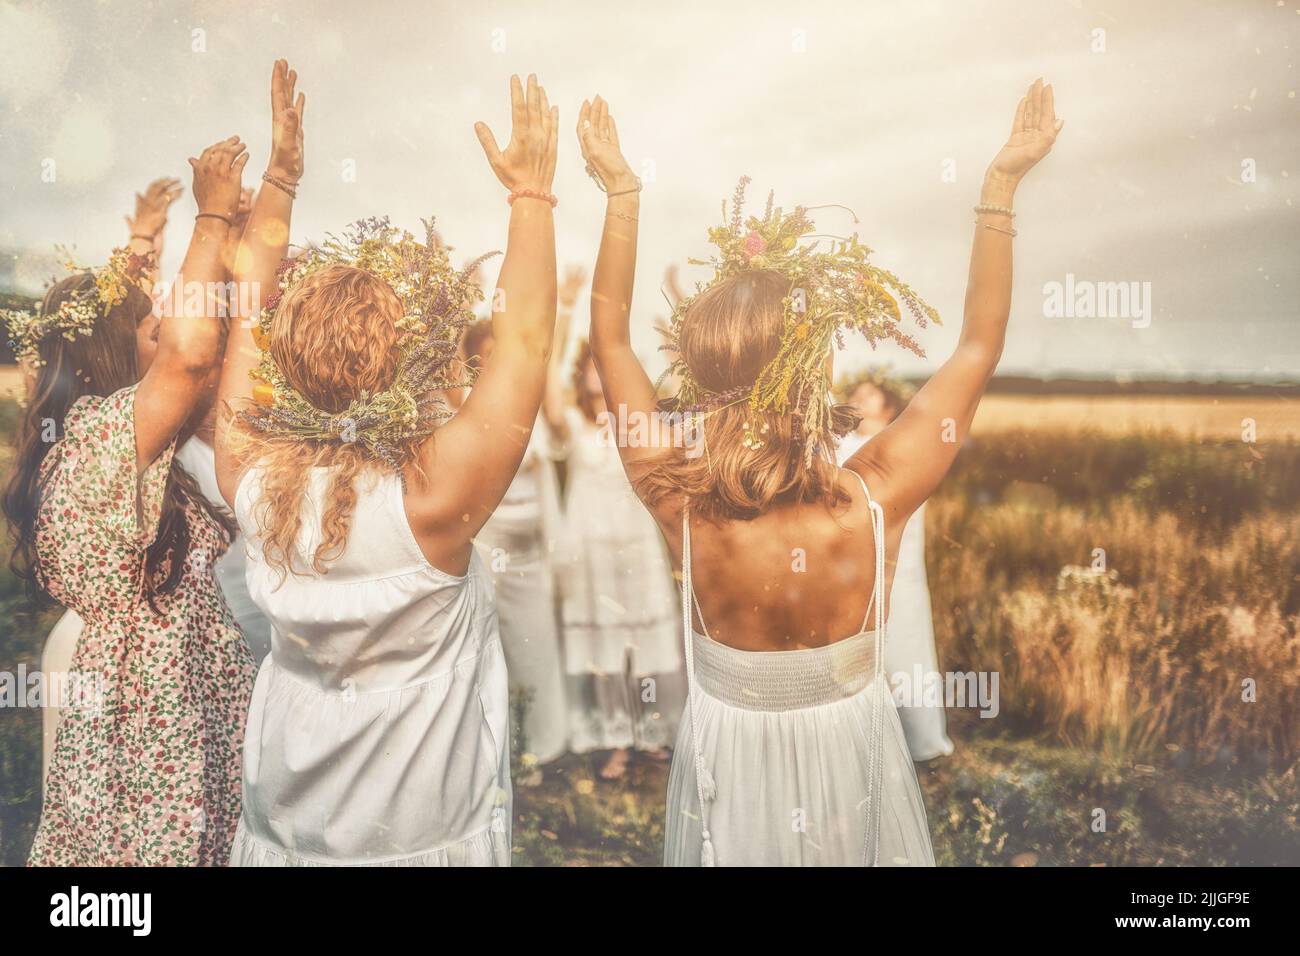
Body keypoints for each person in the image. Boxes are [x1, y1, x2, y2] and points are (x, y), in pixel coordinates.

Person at [574, 79, 1062, 865]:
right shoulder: (873, 498)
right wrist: (998, 190)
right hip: (849, 768)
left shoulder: (680, 503)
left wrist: (621, 195)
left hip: (729, 762)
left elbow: (612, 343)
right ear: (809, 377)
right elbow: (977, 345)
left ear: (700, 374)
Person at [215, 64, 558, 866]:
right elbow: (527, 340)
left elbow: (241, 322)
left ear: (285, 369)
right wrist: (532, 197)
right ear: (405, 366)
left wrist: (280, 179)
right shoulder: (435, 505)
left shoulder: (249, 480)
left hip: (289, 832)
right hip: (422, 838)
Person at [3, 136, 256, 865]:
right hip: (150, 718)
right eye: (148, 330)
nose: (165, 332)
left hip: (171, 696)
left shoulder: (104, 436)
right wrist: (209, 220)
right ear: (116, 355)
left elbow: (130, 320)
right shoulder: (98, 444)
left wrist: (209, 236)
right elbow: (188, 352)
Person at [552, 338, 684, 779]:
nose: (597, 372)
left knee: (643, 644)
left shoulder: (638, 422)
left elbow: (682, 396)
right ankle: (616, 741)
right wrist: (565, 312)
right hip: (591, 551)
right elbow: (548, 394)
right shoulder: (571, 422)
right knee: (605, 648)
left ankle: (652, 733)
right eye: (590, 365)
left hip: (636, 545)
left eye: (603, 364)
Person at [837, 369, 954, 762]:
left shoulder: (902, 446)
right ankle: (867, 747)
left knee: (904, 646)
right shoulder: (840, 444)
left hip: (896, 561)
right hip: (848, 567)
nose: (859, 399)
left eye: (868, 394)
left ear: (888, 405)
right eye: (855, 393)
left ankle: (922, 742)